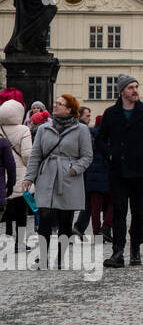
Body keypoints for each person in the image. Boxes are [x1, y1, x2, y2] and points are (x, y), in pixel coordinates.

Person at [97, 75, 143, 267]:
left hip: (139, 168)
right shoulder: (111, 113)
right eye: (130, 87)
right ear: (122, 91)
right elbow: (100, 140)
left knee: (138, 213)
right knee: (119, 211)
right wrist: (110, 154)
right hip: (118, 170)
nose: (135, 90)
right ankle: (118, 252)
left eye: (136, 86)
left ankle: (135, 250)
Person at [22, 93, 93, 268]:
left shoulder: (81, 129)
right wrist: (29, 177)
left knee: (65, 218)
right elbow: (35, 154)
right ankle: (44, 257)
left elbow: (87, 156)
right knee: (44, 215)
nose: (55, 105)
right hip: (46, 175)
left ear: (69, 109)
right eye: (55, 102)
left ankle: (60, 257)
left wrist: (74, 169)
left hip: (68, 177)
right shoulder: (44, 129)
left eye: (60, 104)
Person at [0, 95, 33, 245]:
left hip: (3, 174)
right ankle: (20, 242)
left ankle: (6, 236)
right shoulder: (23, 130)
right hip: (20, 175)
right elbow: (27, 154)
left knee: (6, 209)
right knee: (21, 211)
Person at [75, 116, 112, 241]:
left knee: (95, 208)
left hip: (92, 177)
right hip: (107, 176)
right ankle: (106, 227)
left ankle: (97, 234)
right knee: (113, 204)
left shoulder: (89, 136)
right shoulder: (108, 137)